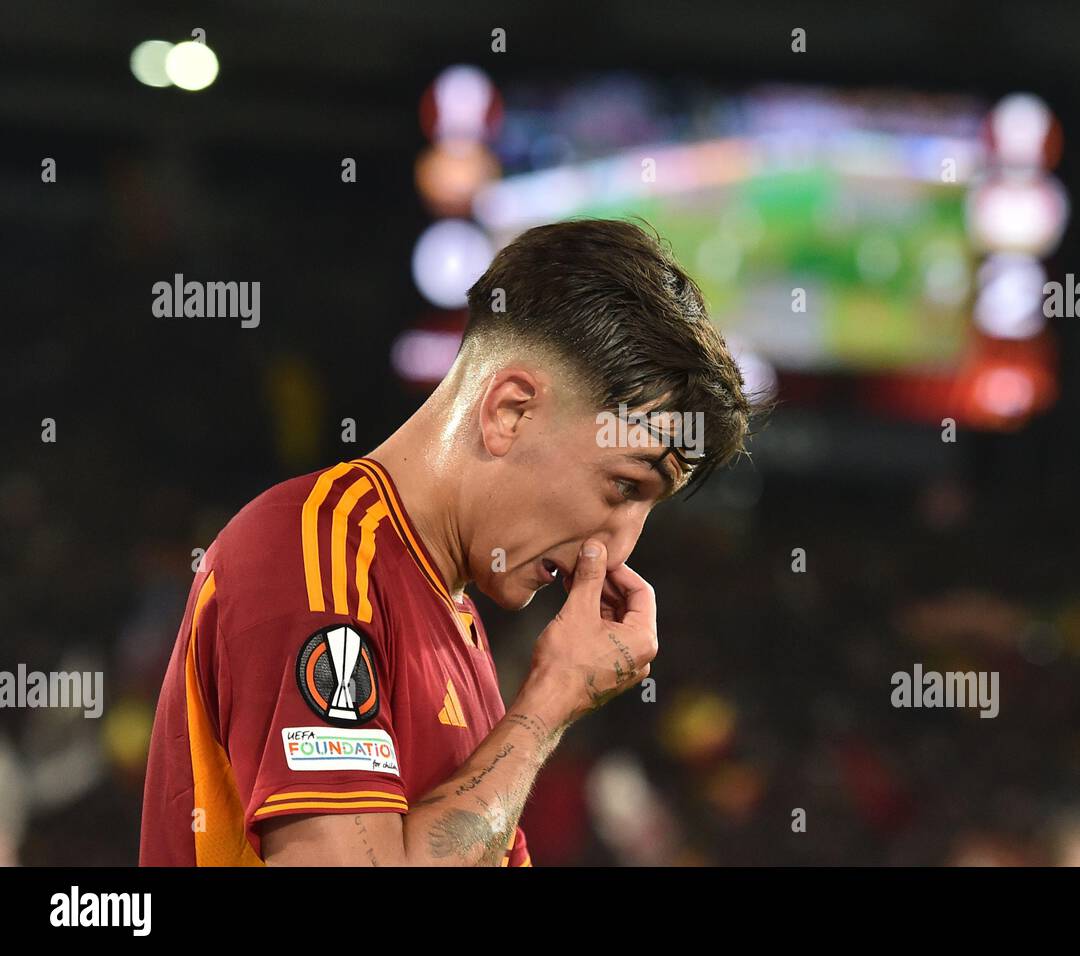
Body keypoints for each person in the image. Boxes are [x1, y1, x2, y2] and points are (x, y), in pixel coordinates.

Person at [139, 217, 765, 865]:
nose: (615, 549)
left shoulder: (456, 625)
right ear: (510, 411)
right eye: (624, 487)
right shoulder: (312, 552)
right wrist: (550, 703)